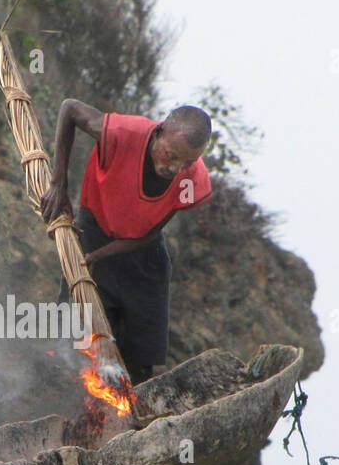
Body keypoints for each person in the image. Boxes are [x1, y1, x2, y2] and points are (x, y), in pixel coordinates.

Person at [41, 99, 212, 385]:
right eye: (170, 155)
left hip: (144, 258)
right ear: (158, 133)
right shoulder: (123, 133)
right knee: (75, 335)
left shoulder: (190, 182)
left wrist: (103, 255)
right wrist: (59, 184)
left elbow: (150, 233)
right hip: (94, 230)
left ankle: (128, 416)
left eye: (187, 162)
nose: (175, 168)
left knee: (139, 364)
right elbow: (69, 108)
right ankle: (66, 396)